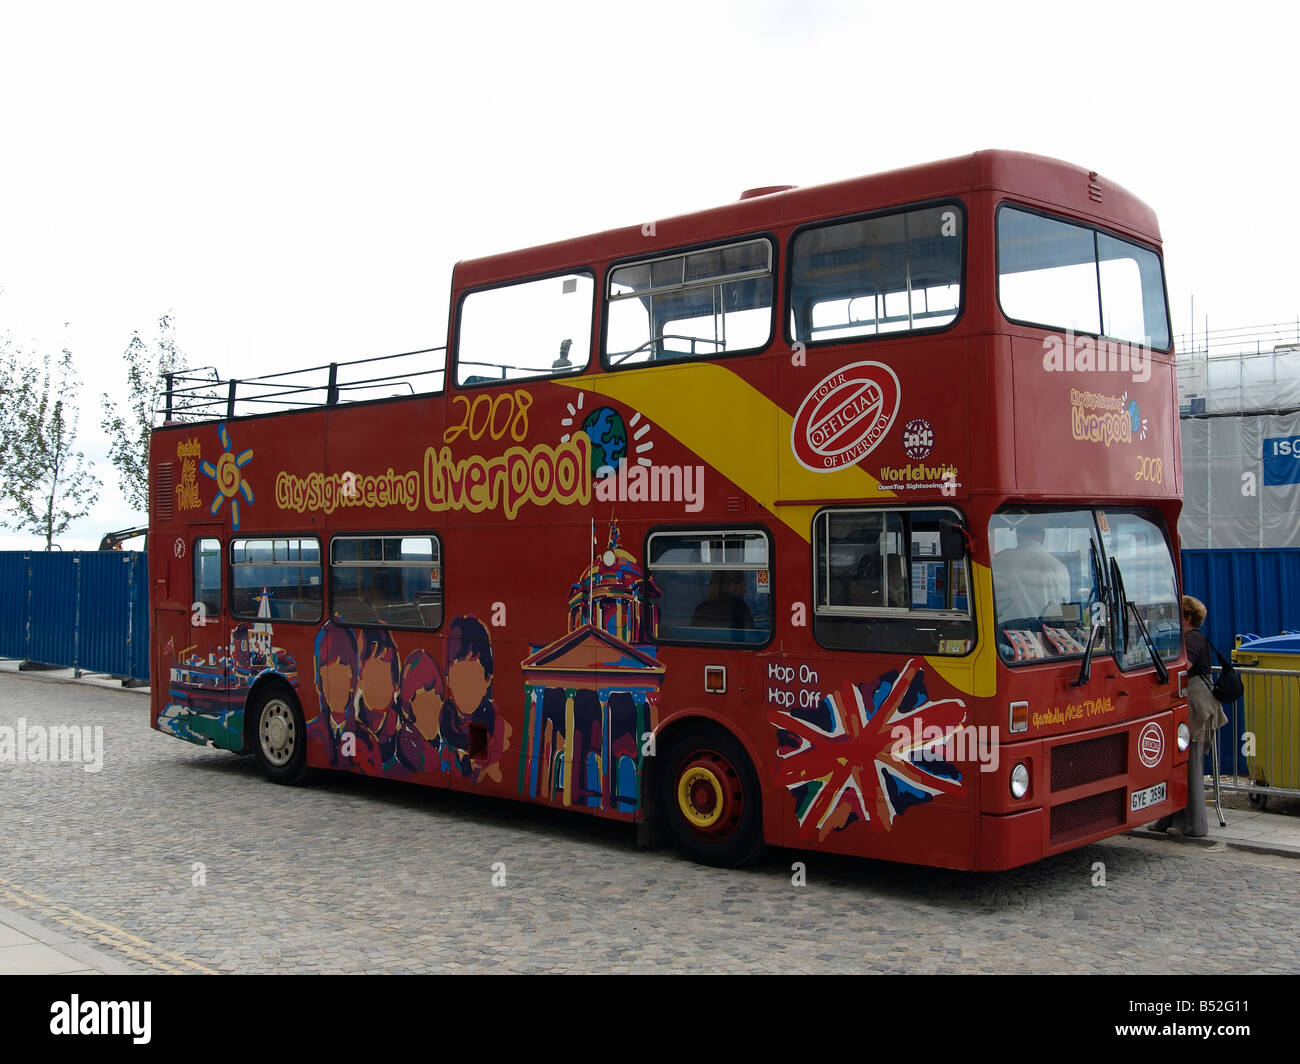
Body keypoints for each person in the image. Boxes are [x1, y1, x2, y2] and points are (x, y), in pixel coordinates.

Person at [1154, 595, 1227, 837]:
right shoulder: (1189, 639)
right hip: (1193, 703)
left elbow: (1180, 669)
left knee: (1191, 764)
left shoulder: (1192, 640)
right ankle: (1168, 818)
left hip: (1196, 705)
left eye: (1177, 615)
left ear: (1187, 617)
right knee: (1178, 762)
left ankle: (1195, 825)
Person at [992, 516, 1071, 622]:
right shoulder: (1060, 568)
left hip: (1003, 635)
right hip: (1045, 636)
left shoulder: (1000, 561)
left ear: (1018, 535)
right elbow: (1065, 611)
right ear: (1043, 537)